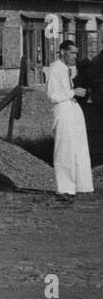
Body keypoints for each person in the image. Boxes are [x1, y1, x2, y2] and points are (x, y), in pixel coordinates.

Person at [46, 40, 94, 199]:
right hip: (63, 110)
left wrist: (74, 92)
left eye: (76, 53)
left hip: (72, 110)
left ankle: (81, 185)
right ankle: (64, 189)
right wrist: (73, 93)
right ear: (62, 52)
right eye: (72, 53)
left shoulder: (65, 69)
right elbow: (52, 96)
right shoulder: (55, 69)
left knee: (78, 148)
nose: (75, 56)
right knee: (65, 149)